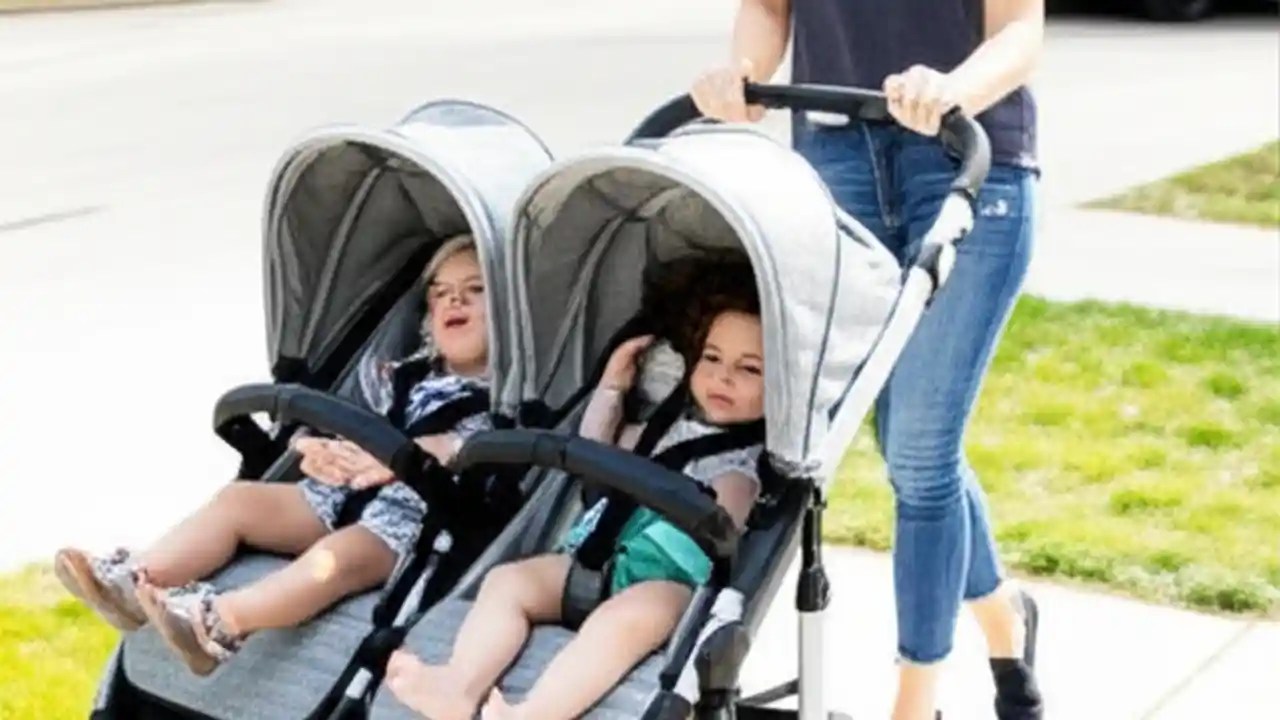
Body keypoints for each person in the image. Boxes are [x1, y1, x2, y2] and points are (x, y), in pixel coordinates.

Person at [690, 2, 1045, 719]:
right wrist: (744, 75)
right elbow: (768, 7)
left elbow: (1019, 30)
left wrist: (952, 90)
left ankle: (915, 701)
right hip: (836, 156)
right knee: (910, 441)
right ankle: (1003, 617)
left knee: (918, 450)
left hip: (967, 158)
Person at [53, 235, 493, 676]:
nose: (453, 300)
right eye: (440, 292)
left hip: (408, 525)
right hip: (337, 494)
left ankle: (220, 624)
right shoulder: (398, 374)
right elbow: (349, 421)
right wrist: (317, 449)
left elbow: (465, 448)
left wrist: (420, 453)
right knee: (240, 500)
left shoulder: (499, 397)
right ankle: (136, 583)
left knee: (333, 559)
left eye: (474, 290)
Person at [382, 259, 767, 720]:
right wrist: (612, 387)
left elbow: (724, 520)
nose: (723, 377)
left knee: (623, 621)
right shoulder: (662, 427)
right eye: (712, 358)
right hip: (591, 557)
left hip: (666, 583)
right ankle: (459, 687)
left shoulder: (745, 463)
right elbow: (595, 448)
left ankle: (534, 714)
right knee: (508, 582)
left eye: (749, 369)